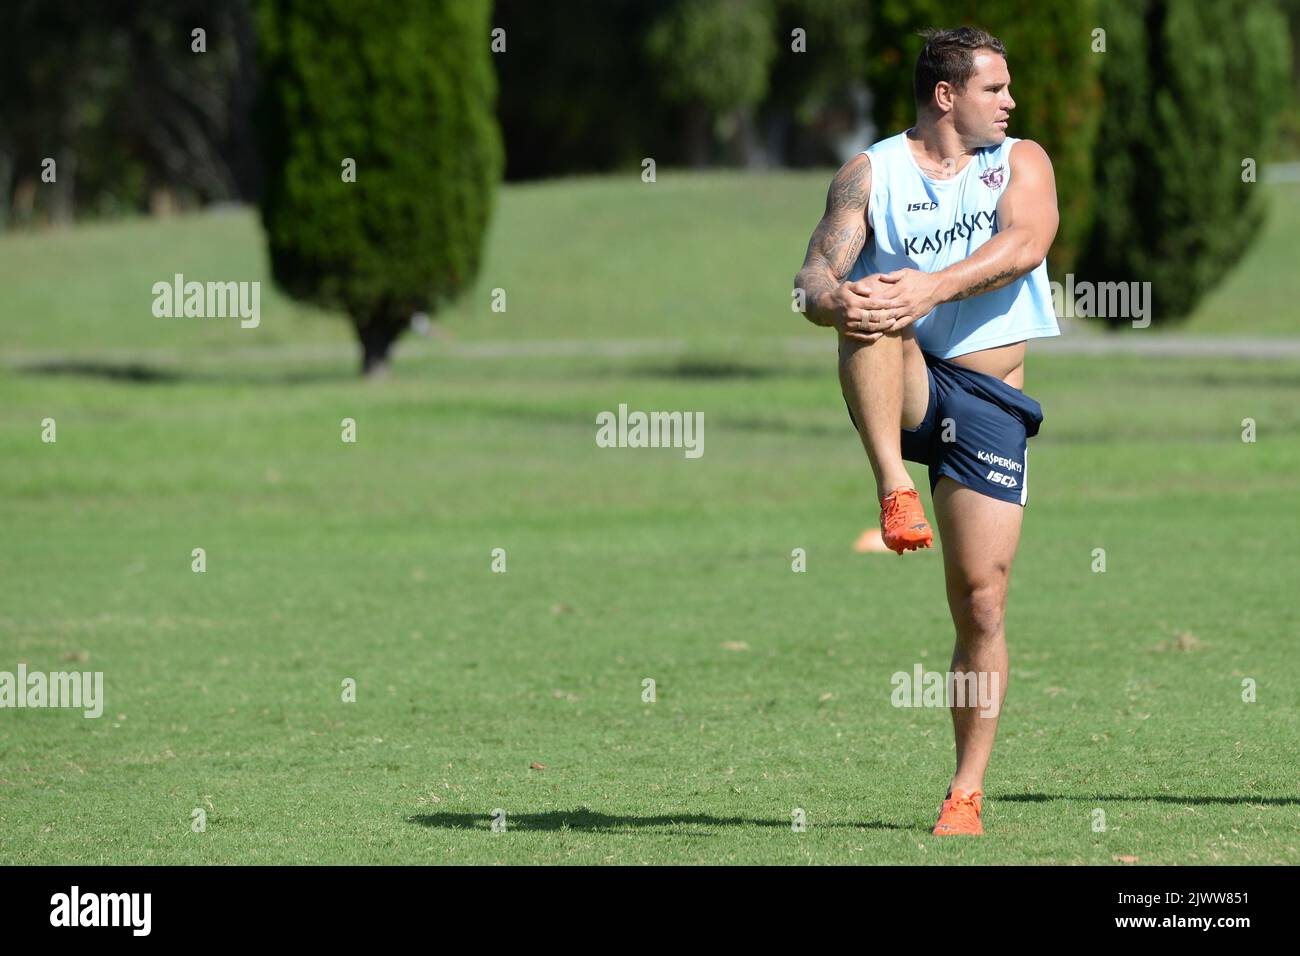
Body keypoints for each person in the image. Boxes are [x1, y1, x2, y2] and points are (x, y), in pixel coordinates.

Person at [792, 26, 1060, 835]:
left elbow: (1027, 243)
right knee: (865, 302)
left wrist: (931, 287)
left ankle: (965, 792)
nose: (1010, 101)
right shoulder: (869, 173)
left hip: (987, 400)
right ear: (947, 96)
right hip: (905, 382)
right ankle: (892, 485)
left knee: (980, 602)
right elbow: (811, 275)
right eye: (995, 89)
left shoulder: (1021, 162)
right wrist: (831, 297)